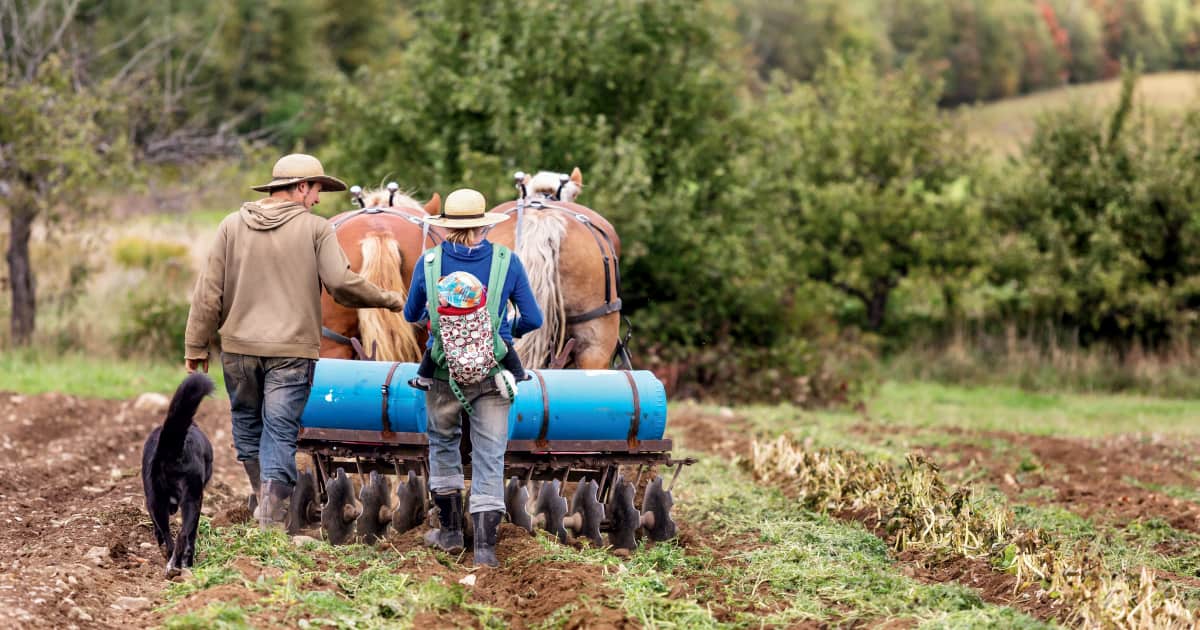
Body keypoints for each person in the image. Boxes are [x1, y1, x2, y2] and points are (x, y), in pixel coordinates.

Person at [183, 153, 406, 531]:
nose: (317, 199)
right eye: (316, 190)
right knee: (280, 429)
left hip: (238, 350)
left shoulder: (231, 225)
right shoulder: (316, 229)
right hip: (291, 352)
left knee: (247, 423)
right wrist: (390, 299)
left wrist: (196, 345)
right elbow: (341, 285)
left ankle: (262, 498)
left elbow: (208, 291)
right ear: (301, 187)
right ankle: (271, 514)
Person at [403, 188, 542, 567]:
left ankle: (449, 534)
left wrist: (441, 325)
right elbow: (534, 318)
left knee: (443, 445)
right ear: (484, 226)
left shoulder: (429, 262)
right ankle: (485, 550)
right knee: (490, 455)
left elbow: (410, 314)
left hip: (441, 372)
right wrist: (502, 331)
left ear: (446, 225)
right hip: (494, 374)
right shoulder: (507, 262)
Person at [410, 270, 528, 393]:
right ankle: (519, 373)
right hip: (483, 360)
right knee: (506, 346)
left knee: (431, 352)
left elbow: (432, 328)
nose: (439, 296)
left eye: (442, 295)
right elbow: (481, 295)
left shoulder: (445, 318)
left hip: (456, 363)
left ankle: (424, 380)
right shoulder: (479, 311)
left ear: (453, 300)